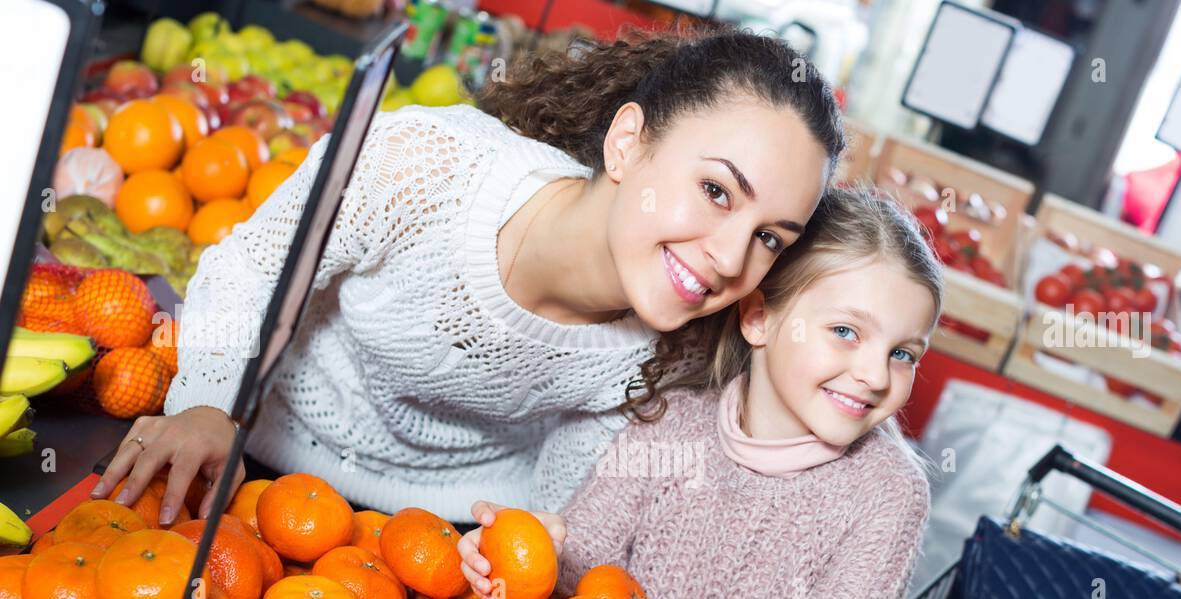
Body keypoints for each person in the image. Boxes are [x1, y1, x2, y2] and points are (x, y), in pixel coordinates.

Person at [91, 25, 842, 528]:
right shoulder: (427, 167)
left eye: (770, 238)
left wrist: (527, 552)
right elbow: (249, 264)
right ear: (626, 144)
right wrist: (206, 401)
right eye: (716, 191)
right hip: (244, 446)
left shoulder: (677, 343)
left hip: (440, 532)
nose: (729, 259)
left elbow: (564, 483)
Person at [460, 186, 943, 599]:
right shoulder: (670, 422)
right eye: (846, 332)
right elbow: (581, 569)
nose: (874, 375)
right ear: (760, 318)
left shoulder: (888, 493)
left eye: (903, 353)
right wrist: (529, 553)